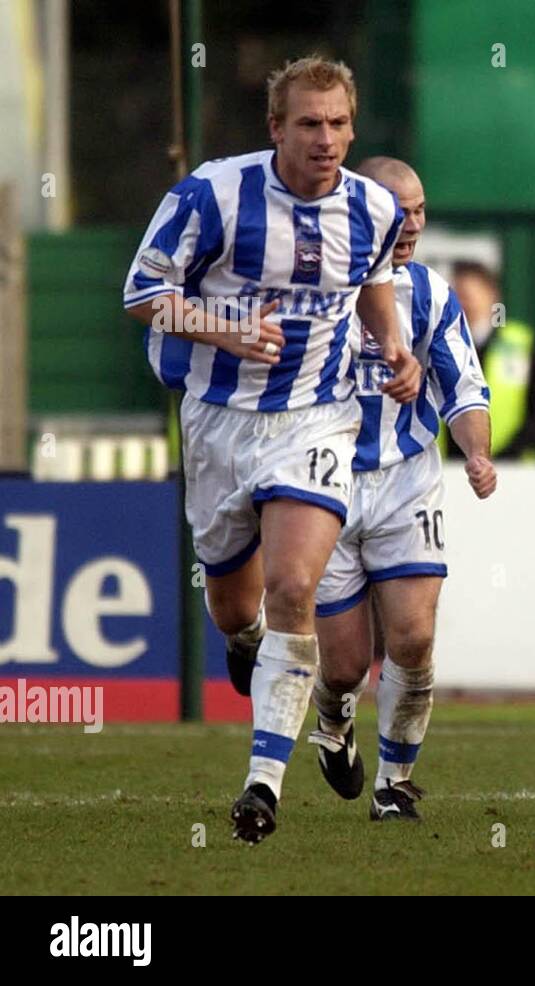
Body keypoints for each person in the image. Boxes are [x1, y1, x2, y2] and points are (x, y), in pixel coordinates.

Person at [123, 55, 421, 844]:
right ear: (275, 128)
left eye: (338, 124)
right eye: (309, 124)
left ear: (353, 126)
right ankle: (245, 643)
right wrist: (225, 330)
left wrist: (392, 345)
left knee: (295, 584)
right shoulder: (213, 194)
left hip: (316, 420)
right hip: (219, 420)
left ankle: (263, 783)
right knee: (236, 604)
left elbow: (374, 281)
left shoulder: (374, 208)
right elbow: (142, 294)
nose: (326, 140)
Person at [309, 156, 495, 822]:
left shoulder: (433, 294)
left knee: (413, 639)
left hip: (405, 481)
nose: (412, 224)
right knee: (344, 666)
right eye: (398, 209)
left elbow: (465, 388)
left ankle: (394, 782)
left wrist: (476, 453)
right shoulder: (316, 288)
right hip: (323, 487)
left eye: (420, 209)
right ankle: (332, 719)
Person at [448, 260, 535, 459]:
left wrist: (509, 455)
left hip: (511, 472)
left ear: (492, 296)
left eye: (468, 296)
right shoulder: (441, 346)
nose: (463, 303)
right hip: (447, 470)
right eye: (457, 297)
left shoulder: (518, 345)